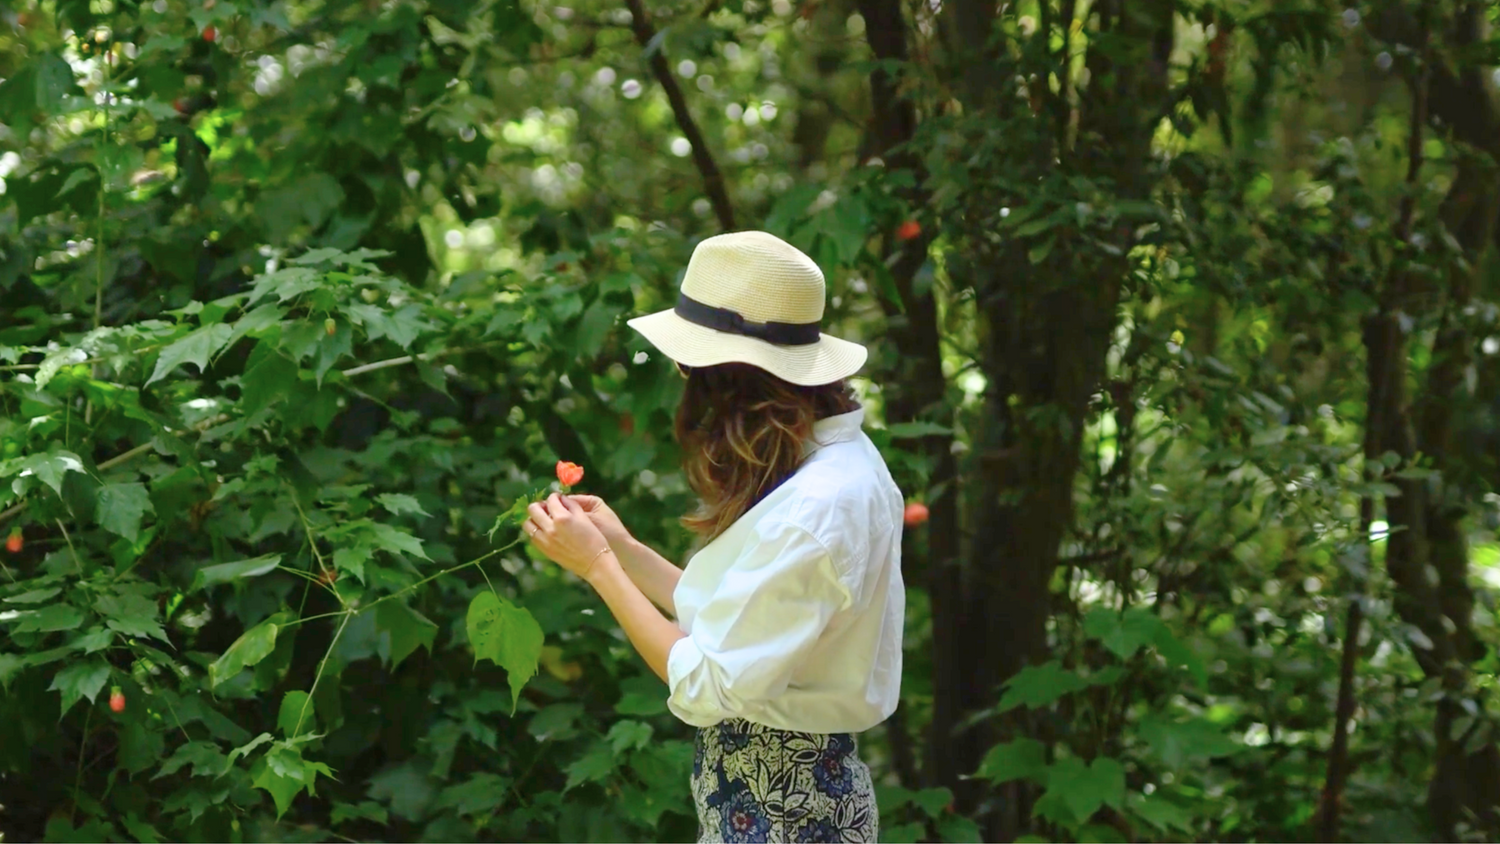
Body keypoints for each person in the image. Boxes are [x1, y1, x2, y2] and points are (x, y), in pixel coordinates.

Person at [522, 230, 905, 843]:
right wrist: (624, 549)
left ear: (728, 380)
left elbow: (711, 684)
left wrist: (599, 568)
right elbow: (740, 623)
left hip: (785, 806)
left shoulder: (818, 505)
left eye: (688, 364)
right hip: (782, 796)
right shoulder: (826, 466)